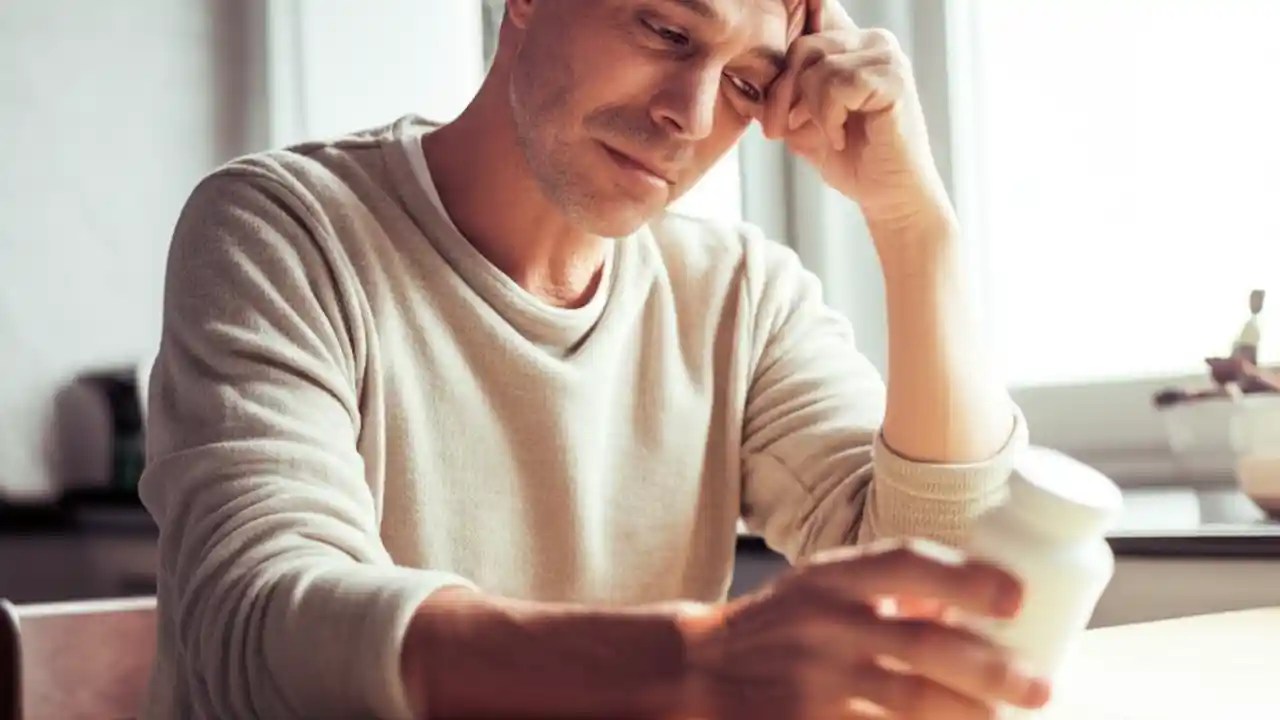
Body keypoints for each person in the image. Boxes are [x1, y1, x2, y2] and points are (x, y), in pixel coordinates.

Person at [139, 0, 1046, 717]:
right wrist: (695, 662)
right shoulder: (282, 228)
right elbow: (261, 621)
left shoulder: (739, 295)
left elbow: (942, 590)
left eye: (745, 82)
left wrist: (912, 223)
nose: (688, 114)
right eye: (664, 29)